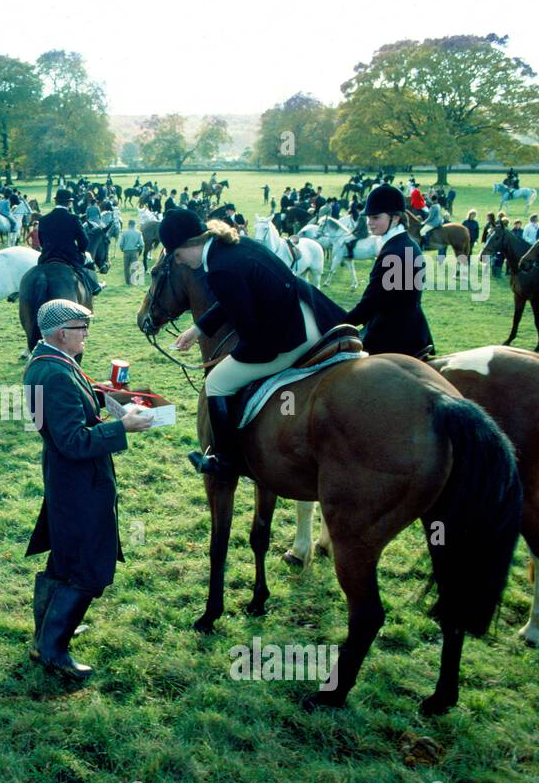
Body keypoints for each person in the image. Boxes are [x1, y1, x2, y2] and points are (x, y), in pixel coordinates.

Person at [165, 211, 347, 480]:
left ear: (190, 245)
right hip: (311, 315)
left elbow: (248, 330)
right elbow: (235, 297)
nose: (180, 263)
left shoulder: (218, 269)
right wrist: (199, 328)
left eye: (178, 256)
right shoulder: (234, 243)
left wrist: (230, 359)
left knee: (216, 382)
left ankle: (224, 462)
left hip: (287, 336)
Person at [23, 299, 151, 679]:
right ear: (63, 334)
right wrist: (121, 427)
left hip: (67, 478)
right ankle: (52, 649)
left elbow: (71, 410)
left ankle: (47, 632)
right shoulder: (55, 373)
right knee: (88, 565)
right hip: (79, 481)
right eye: (82, 328)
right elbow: (74, 441)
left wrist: (107, 398)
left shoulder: (49, 362)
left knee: (65, 554)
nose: (86, 335)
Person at [341, 184, 433, 358]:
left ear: (395, 218)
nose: (370, 223)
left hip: (392, 337)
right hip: (412, 329)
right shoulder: (406, 243)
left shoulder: (394, 252)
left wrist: (340, 325)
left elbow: (371, 302)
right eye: (368, 217)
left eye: (375, 217)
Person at [39, 189, 102, 296]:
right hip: (69, 257)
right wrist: (80, 251)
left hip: (47, 257)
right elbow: (84, 242)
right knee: (85, 266)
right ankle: (93, 286)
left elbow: (41, 242)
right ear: (69, 203)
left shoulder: (44, 219)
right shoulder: (73, 219)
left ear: (55, 202)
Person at [118, 219, 143, 285]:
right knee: (134, 267)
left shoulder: (124, 233)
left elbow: (120, 244)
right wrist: (138, 249)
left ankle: (127, 282)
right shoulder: (138, 233)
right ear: (134, 225)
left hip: (126, 251)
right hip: (134, 251)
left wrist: (122, 249)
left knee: (126, 267)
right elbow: (141, 244)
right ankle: (133, 282)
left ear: (128, 225)